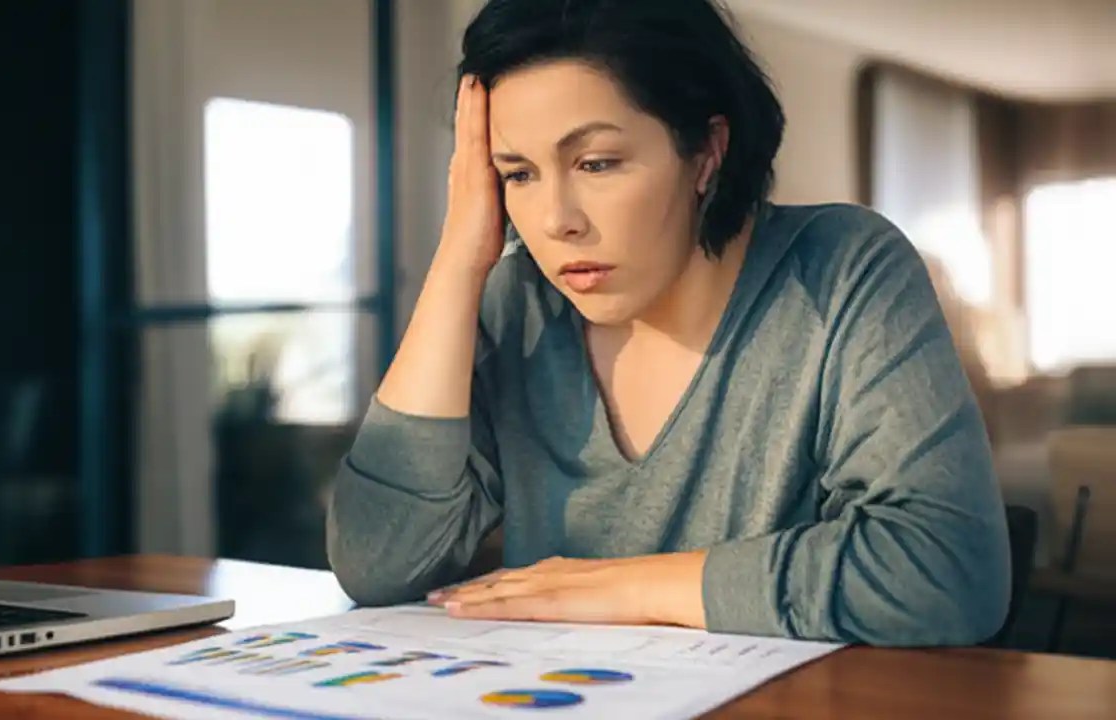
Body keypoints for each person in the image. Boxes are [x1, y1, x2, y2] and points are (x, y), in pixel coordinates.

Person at [326, 0, 1010, 646]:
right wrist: (458, 260)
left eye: (596, 163)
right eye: (519, 174)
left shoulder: (841, 271)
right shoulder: (519, 303)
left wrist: (621, 587)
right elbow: (378, 562)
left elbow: (948, 567)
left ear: (706, 152)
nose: (556, 219)